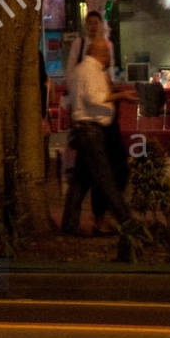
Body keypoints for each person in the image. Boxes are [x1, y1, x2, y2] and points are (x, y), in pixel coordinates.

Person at [61, 35, 138, 240]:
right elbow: (95, 98)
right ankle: (128, 222)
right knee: (106, 179)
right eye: (106, 53)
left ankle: (69, 223)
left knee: (80, 181)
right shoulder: (91, 70)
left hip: (85, 130)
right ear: (99, 52)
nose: (108, 57)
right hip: (91, 131)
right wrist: (121, 96)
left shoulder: (79, 70)